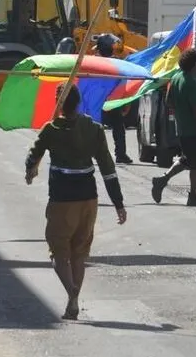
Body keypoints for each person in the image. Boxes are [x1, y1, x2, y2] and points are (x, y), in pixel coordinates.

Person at [25, 85, 127, 320]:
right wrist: (118, 203)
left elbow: (33, 155)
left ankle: (71, 290)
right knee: (79, 253)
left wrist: (30, 170)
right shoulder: (93, 128)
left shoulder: (51, 130)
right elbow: (108, 170)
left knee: (59, 253)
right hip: (89, 200)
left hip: (62, 199)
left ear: (58, 103)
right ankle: (74, 303)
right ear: (79, 101)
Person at [150, 47, 196, 207]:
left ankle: (161, 180)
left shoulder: (177, 77)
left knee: (187, 159)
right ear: (194, 65)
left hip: (183, 128)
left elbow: (168, 101)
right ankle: (194, 196)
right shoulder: (191, 84)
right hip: (194, 130)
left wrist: (181, 110)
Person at [95, 34, 133, 164]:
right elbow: (124, 84)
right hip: (112, 102)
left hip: (98, 102)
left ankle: (92, 154)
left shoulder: (92, 63)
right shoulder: (118, 64)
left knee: (93, 129)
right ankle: (120, 155)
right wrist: (126, 102)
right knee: (118, 129)